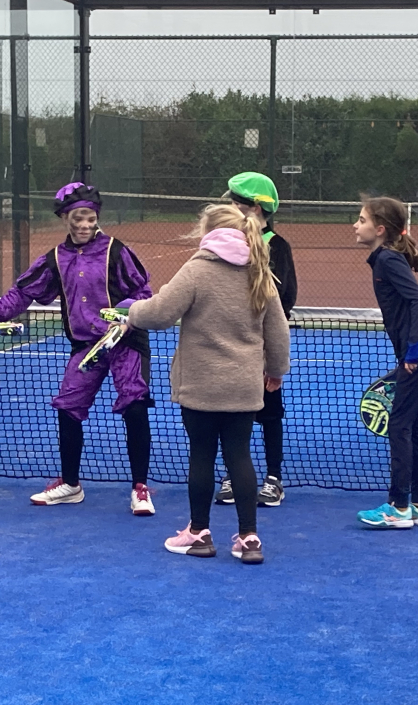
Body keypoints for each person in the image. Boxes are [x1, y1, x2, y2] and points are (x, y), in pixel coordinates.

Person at [0, 183, 156, 515]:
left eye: (89, 217)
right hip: (85, 346)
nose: (83, 224)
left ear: (96, 217)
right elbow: (20, 296)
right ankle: (71, 485)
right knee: (67, 408)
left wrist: (127, 317)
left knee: (135, 405)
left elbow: (144, 292)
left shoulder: (116, 252)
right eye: (77, 217)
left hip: (126, 341)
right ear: (65, 218)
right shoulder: (55, 259)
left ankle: (140, 487)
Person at [127, 204, 290, 563]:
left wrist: (132, 312)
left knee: (202, 455)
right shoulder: (260, 273)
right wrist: (276, 371)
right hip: (245, 388)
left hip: (200, 386)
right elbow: (278, 331)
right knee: (240, 456)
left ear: (208, 233)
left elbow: (158, 313)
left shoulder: (197, 270)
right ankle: (249, 538)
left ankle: (199, 533)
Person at [353, 196, 418, 529]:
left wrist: (413, 351)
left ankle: (398, 508)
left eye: (361, 220)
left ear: (379, 229)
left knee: (400, 425)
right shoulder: (385, 258)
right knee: (412, 424)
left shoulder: (388, 260)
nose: (355, 225)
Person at [214, 172, 297, 508]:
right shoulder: (222, 245)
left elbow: (284, 298)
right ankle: (235, 474)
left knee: (270, 412)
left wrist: (262, 339)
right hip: (228, 346)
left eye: (239, 204)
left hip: (260, 348)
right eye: (231, 202)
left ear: (258, 209)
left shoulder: (277, 246)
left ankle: (274, 478)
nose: (233, 208)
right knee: (233, 413)